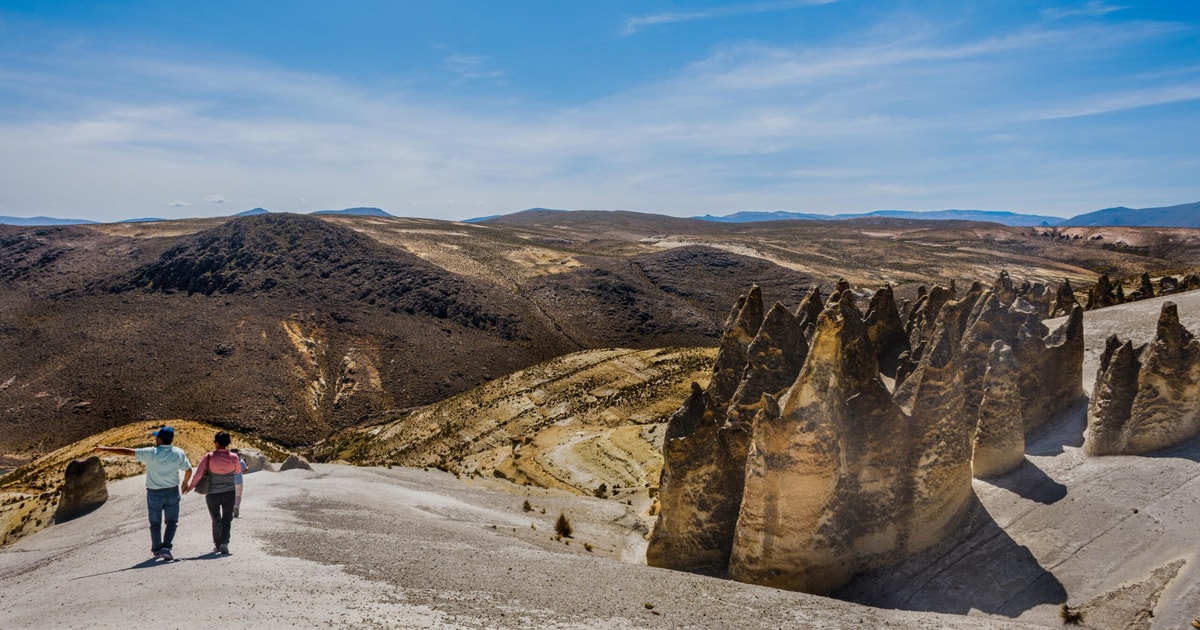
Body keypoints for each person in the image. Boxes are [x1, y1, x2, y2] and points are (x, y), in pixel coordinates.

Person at [94, 426, 193, 561]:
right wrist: (185, 482)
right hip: (172, 492)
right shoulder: (178, 452)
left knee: (155, 523)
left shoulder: (151, 453)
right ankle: (166, 548)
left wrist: (105, 448)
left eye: (156, 437)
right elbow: (188, 469)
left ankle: (157, 549)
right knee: (171, 522)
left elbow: (127, 452)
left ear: (159, 439)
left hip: (154, 494)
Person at [183, 431, 239, 554]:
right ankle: (224, 542)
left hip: (212, 493)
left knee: (216, 518)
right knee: (227, 518)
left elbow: (198, 474)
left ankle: (218, 543)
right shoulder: (234, 457)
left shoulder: (209, 456)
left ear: (217, 443)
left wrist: (190, 487)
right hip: (229, 492)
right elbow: (238, 470)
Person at [230, 448, 248, 518]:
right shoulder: (241, 461)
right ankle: (236, 507)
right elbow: (245, 470)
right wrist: (247, 465)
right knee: (238, 496)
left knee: (230, 496)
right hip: (239, 482)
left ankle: (230, 509)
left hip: (230, 482)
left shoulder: (228, 461)